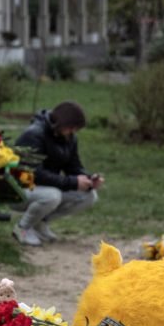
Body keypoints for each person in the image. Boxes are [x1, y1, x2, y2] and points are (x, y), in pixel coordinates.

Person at [12, 101, 105, 246]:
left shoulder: (69, 137)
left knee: (89, 196)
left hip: (46, 187)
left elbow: (73, 167)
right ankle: (22, 228)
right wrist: (73, 182)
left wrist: (90, 178)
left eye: (75, 129)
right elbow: (35, 173)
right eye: (71, 127)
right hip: (20, 189)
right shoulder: (34, 134)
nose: (73, 131)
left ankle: (40, 223)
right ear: (61, 123)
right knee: (52, 196)